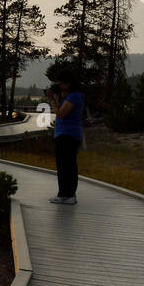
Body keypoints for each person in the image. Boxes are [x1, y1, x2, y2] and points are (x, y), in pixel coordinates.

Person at [45, 72, 84, 204]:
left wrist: (51, 99)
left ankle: (68, 195)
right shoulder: (68, 97)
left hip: (68, 134)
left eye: (61, 83)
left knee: (67, 165)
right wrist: (56, 97)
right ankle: (65, 194)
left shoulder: (74, 96)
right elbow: (58, 110)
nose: (59, 86)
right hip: (63, 134)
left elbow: (60, 114)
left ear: (68, 84)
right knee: (63, 165)